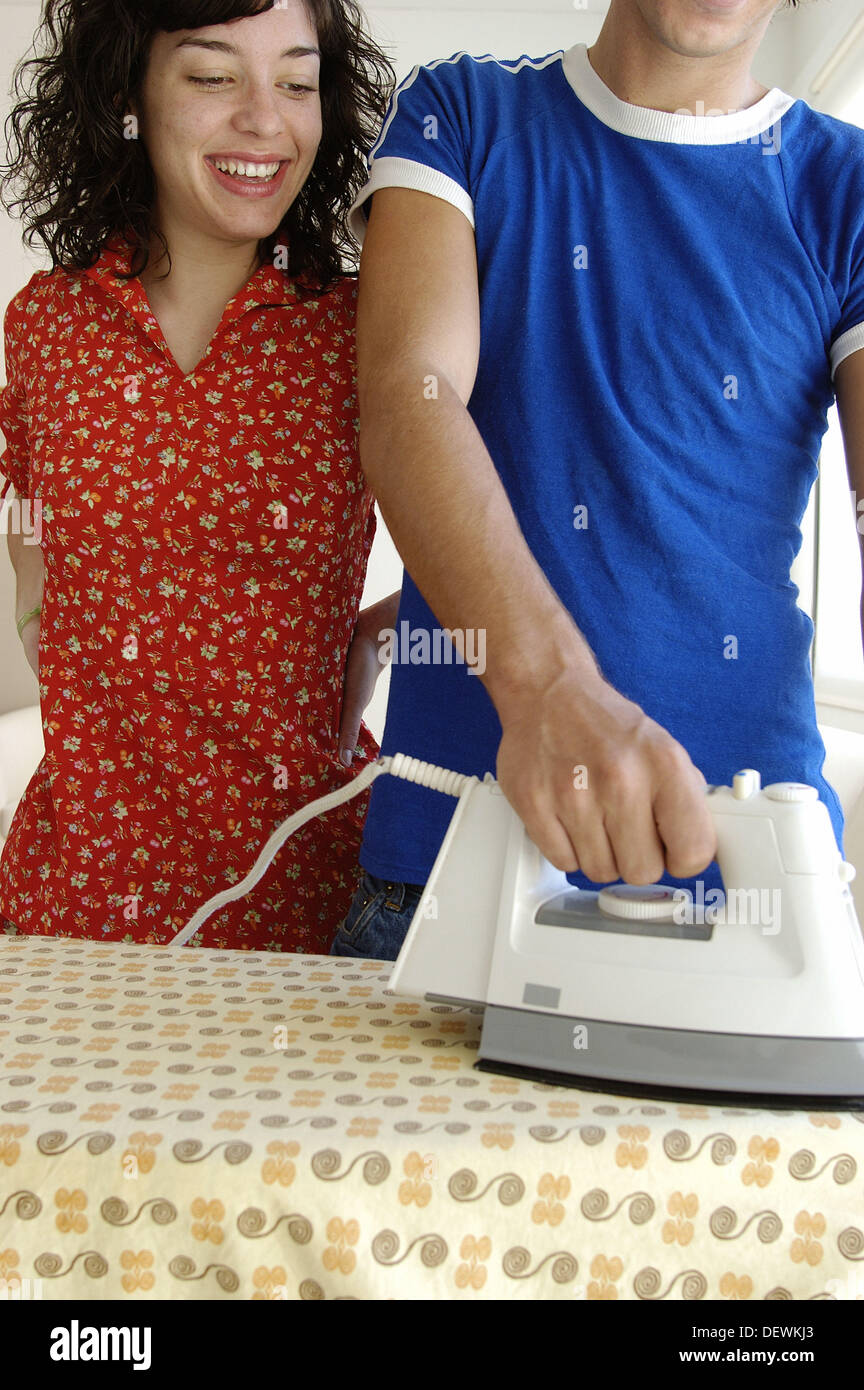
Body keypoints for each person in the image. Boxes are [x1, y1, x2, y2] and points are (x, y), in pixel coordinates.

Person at [331, 0, 864, 960]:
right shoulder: (462, 116)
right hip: (453, 877)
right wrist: (546, 691)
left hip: (753, 896)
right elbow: (410, 400)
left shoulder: (846, 189)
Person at [0, 0, 399, 950]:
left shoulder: (368, 328)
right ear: (123, 96)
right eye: (214, 76)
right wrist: (55, 640)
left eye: (298, 83)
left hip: (306, 900)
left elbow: (511, 515)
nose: (265, 119)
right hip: (73, 898)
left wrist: (375, 642)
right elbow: (28, 537)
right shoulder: (45, 326)